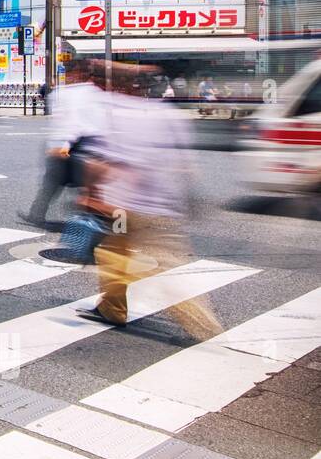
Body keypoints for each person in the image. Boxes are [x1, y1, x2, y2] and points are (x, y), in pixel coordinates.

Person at [76, 70, 222, 340]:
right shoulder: (171, 116)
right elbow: (186, 164)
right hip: (163, 206)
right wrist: (188, 196)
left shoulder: (118, 115)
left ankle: (113, 309)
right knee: (163, 262)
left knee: (113, 253)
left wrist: (90, 193)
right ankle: (201, 321)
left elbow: (103, 162)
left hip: (124, 207)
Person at [22, 55, 108, 228]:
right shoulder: (93, 93)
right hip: (87, 146)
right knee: (86, 186)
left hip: (68, 146)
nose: (66, 76)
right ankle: (93, 219)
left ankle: (38, 215)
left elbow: (71, 124)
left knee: (52, 184)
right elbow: (100, 122)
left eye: (68, 73)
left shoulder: (68, 94)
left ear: (74, 74)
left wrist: (63, 146)